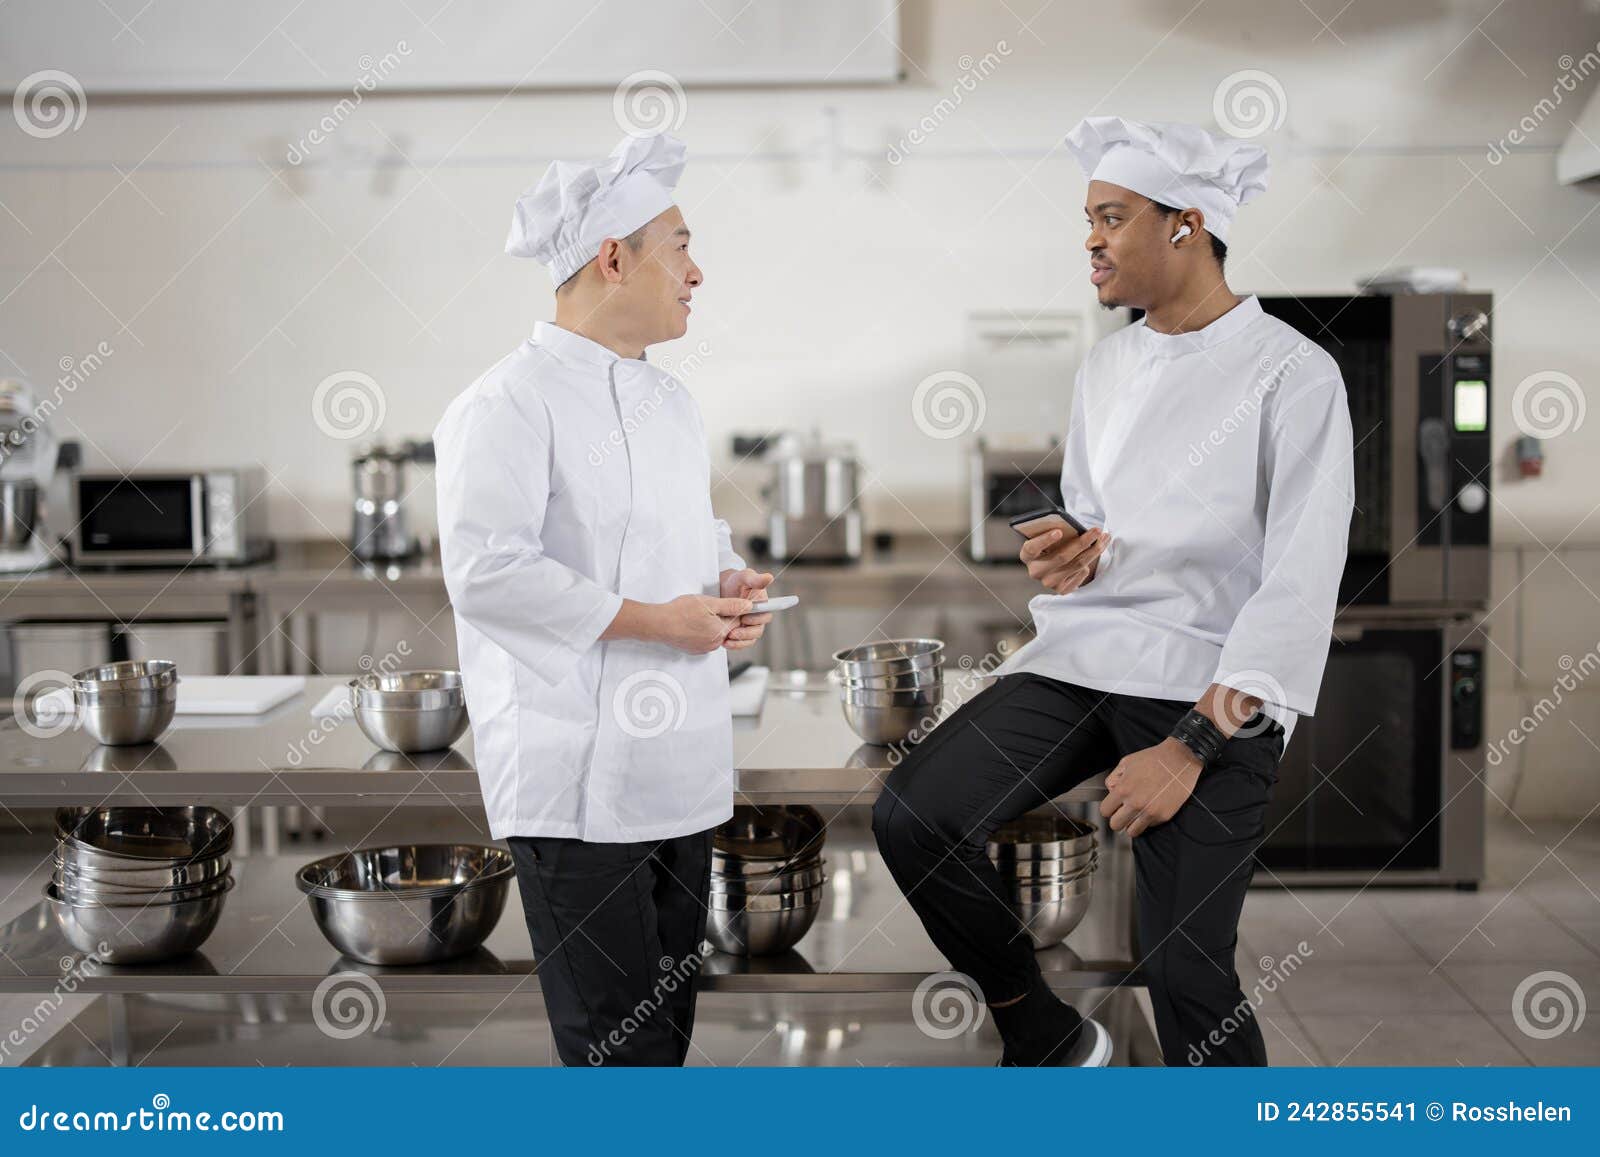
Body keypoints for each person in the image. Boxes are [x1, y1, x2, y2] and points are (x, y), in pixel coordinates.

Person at [873, 117, 1355, 1067]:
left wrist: (1191, 746)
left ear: (1187, 223)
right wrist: (1074, 554)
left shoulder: (1295, 376)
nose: (1089, 239)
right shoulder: (1109, 364)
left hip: (1218, 686)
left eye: (1111, 217)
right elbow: (1103, 529)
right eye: (1088, 219)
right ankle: (1045, 1032)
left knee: (1184, 975)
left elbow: (1298, 589)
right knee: (913, 815)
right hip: (1089, 658)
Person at [433, 132, 774, 1067]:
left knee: (661, 1052)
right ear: (613, 257)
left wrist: (724, 582)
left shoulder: (670, 404)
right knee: (613, 1061)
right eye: (680, 244)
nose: (697, 271)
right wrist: (656, 621)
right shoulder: (503, 404)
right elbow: (487, 572)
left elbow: (681, 540)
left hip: (680, 773)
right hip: (573, 785)